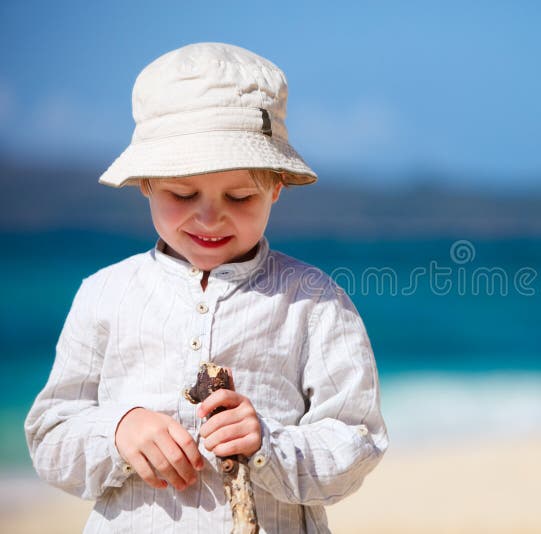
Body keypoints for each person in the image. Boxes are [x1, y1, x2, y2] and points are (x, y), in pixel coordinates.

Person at [24, 42, 388, 533]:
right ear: (147, 182)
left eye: (239, 196)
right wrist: (119, 430)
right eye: (183, 193)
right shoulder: (105, 295)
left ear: (276, 186)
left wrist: (268, 445)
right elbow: (50, 436)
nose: (210, 216)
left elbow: (357, 439)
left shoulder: (313, 300)